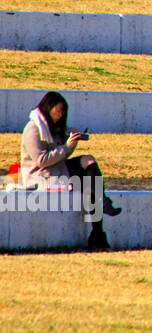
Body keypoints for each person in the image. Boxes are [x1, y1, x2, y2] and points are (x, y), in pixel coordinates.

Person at [20, 90, 122, 249]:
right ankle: (99, 225)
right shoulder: (33, 129)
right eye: (58, 111)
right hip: (41, 175)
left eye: (63, 112)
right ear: (48, 108)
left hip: (57, 169)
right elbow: (41, 160)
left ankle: (98, 229)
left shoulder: (53, 127)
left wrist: (69, 139)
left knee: (90, 163)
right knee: (90, 184)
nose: (61, 115)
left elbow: (61, 155)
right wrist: (67, 147)